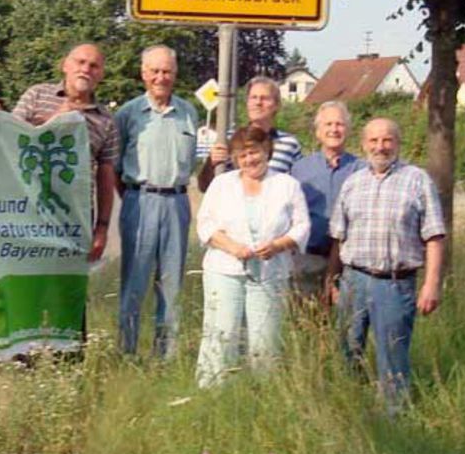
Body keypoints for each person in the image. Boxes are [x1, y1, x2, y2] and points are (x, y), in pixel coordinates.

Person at [325, 117, 446, 412]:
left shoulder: (417, 180)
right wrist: (331, 280)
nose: (380, 147)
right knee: (347, 349)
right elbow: (338, 238)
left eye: (387, 140)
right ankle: (351, 409)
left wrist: (431, 284)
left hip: (394, 284)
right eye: (374, 140)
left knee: (392, 355)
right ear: (363, 144)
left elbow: (434, 236)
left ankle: (395, 417)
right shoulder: (353, 183)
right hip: (353, 280)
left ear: (398, 143)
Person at [195, 126, 310, 387]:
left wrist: (278, 245)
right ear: (235, 158)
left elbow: (301, 226)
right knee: (221, 334)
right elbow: (205, 224)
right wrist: (232, 247)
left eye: (254, 152)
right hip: (224, 270)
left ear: (267, 150)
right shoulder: (222, 184)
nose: (249, 159)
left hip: (270, 272)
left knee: (264, 340)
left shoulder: (287, 185)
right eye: (242, 155)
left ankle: (263, 391)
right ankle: (213, 390)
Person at [114, 45, 199, 357]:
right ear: (143, 74)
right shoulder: (128, 114)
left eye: (167, 71)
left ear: (175, 74)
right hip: (140, 200)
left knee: (172, 284)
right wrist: (134, 197)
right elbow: (114, 167)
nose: (161, 77)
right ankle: (127, 353)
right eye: (155, 71)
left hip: (177, 202)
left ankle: (165, 355)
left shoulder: (188, 113)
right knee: (134, 282)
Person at [9, 42, 118, 262]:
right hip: (28, 213)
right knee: (26, 278)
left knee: (67, 279)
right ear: (65, 65)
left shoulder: (106, 120)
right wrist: (55, 119)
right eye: (80, 62)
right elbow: (9, 139)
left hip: (75, 218)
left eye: (94, 66)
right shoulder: (36, 96)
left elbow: (106, 176)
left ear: (101, 74)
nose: (86, 69)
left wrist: (102, 228)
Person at [290, 101, 364, 298]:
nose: (334, 129)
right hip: (309, 258)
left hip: (349, 261)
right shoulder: (300, 168)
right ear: (317, 131)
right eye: (328, 124)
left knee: (346, 314)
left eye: (339, 124)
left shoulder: (362, 169)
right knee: (305, 313)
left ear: (348, 130)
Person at [197, 76, 301, 191]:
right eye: (253, 97)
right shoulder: (229, 139)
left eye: (265, 98)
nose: (258, 102)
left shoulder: (289, 144)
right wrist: (211, 163)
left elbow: (298, 185)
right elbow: (204, 187)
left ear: (277, 105)